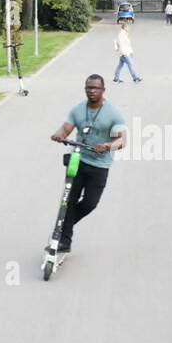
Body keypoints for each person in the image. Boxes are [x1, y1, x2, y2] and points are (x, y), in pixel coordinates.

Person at [49, 74, 128, 254]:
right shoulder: (78, 110)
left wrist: (108, 146)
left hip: (100, 166)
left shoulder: (113, 113)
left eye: (95, 88)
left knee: (90, 203)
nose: (91, 91)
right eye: (88, 88)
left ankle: (63, 227)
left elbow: (122, 141)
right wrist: (59, 134)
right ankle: (64, 241)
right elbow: (66, 128)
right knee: (68, 201)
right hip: (78, 160)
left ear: (103, 90)